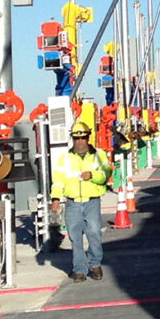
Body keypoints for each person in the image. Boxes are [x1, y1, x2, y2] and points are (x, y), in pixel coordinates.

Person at [52, 118, 111, 281]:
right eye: (76, 138)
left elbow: (106, 174)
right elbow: (58, 180)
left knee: (93, 232)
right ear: (73, 139)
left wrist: (92, 176)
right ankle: (79, 270)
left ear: (88, 138)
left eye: (83, 138)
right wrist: (56, 198)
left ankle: (95, 263)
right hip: (72, 203)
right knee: (75, 236)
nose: (80, 142)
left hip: (92, 201)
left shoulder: (99, 155)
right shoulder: (65, 158)